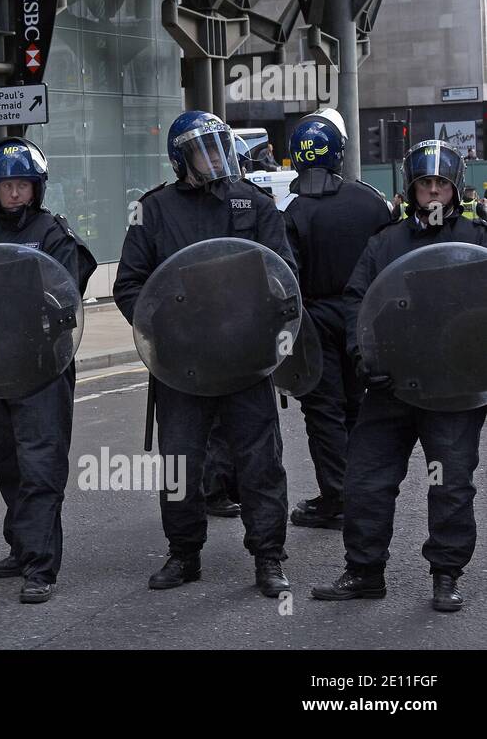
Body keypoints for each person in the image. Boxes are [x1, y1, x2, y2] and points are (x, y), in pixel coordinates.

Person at [113, 111, 293, 597]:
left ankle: (269, 558)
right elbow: (128, 286)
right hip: (182, 364)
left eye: (220, 146)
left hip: (244, 358)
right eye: (204, 149)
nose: (216, 157)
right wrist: (168, 326)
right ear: (181, 159)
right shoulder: (154, 210)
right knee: (180, 464)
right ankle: (184, 553)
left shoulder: (255, 203)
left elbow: (283, 276)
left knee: (260, 463)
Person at [313, 140, 487, 612]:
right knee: (366, 480)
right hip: (391, 384)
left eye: (441, 185)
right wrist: (363, 356)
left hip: (454, 389)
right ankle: (364, 571)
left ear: (455, 189)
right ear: (411, 189)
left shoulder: (477, 238)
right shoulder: (384, 243)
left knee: (449, 483)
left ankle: (446, 574)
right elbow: (357, 302)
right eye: (424, 184)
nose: (433, 193)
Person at [0, 137, 96, 603]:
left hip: (42, 370)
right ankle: (21, 547)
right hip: (0, 371)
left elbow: (67, 297)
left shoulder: (54, 233)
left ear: (37, 189)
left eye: (23, 185)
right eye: (6, 186)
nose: (14, 194)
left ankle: (41, 567)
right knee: (10, 466)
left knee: (40, 467)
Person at [282, 117, 392, 530]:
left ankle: (338, 496)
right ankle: (360, 491)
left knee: (323, 409)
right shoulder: (370, 200)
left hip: (314, 321)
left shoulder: (294, 211)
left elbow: (286, 276)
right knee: (357, 406)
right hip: (365, 315)